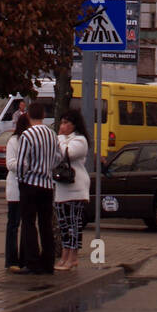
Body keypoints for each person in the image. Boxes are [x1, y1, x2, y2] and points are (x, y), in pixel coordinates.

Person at [15, 100, 59, 275]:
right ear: (44, 115)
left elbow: (21, 163)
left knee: (29, 223)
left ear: (27, 115)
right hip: (47, 185)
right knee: (45, 224)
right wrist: (48, 168)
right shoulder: (51, 134)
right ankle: (48, 262)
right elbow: (59, 157)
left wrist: (22, 177)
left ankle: (32, 262)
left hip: (30, 183)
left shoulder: (27, 135)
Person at [54, 109, 90, 272]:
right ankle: (64, 254)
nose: (63, 126)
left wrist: (60, 138)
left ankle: (72, 256)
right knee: (63, 223)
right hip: (62, 187)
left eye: (66, 123)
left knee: (73, 222)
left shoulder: (80, 140)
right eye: (62, 122)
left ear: (74, 125)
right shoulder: (61, 139)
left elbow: (65, 154)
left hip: (76, 187)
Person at [4, 113, 30, 272]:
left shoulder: (30, 140)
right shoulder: (14, 141)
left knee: (27, 224)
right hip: (15, 188)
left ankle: (24, 258)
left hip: (28, 187)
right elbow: (11, 164)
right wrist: (27, 165)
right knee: (13, 225)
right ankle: (11, 260)